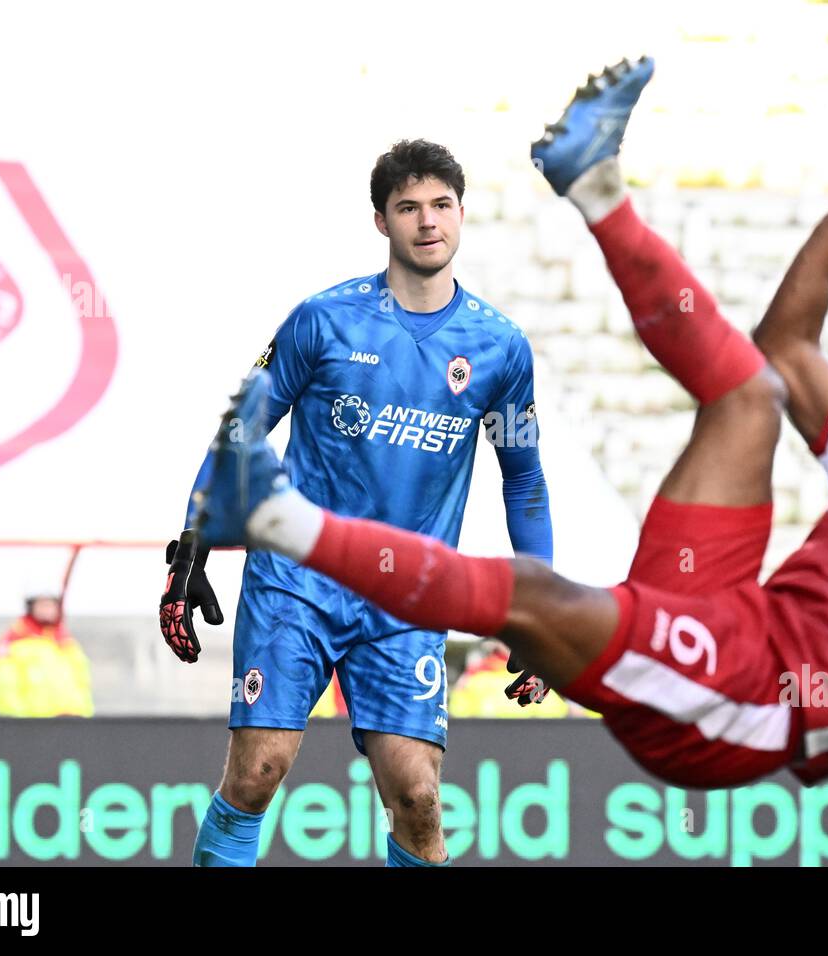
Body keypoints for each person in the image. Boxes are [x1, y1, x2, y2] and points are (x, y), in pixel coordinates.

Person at [192, 58, 828, 797]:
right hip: (732, 610)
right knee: (749, 396)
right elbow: (784, 348)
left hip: (753, 704)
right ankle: (594, 182)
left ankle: (276, 521)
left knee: (527, 599)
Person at [163, 139, 553, 867]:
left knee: (420, 800)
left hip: (407, 596)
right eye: (409, 207)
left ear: (462, 215)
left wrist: (541, 612)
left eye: (441, 205)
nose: (427, 222)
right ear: (382, 221)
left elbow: (524, 480)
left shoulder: (500, 349)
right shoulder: (324, 320)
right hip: (297, 582)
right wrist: (193, 542)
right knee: (258, 772)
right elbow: (241, 427)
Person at [0, 590, 93, 718]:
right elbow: (5, 687)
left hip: (71, 722)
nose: (48, 610)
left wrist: (83, 715)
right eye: (43, 605)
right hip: (34, 726)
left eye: (51, 605)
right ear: (31, 607)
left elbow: (83, 683)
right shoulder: (14, 644)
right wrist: (20, 722)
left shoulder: (68, 644)